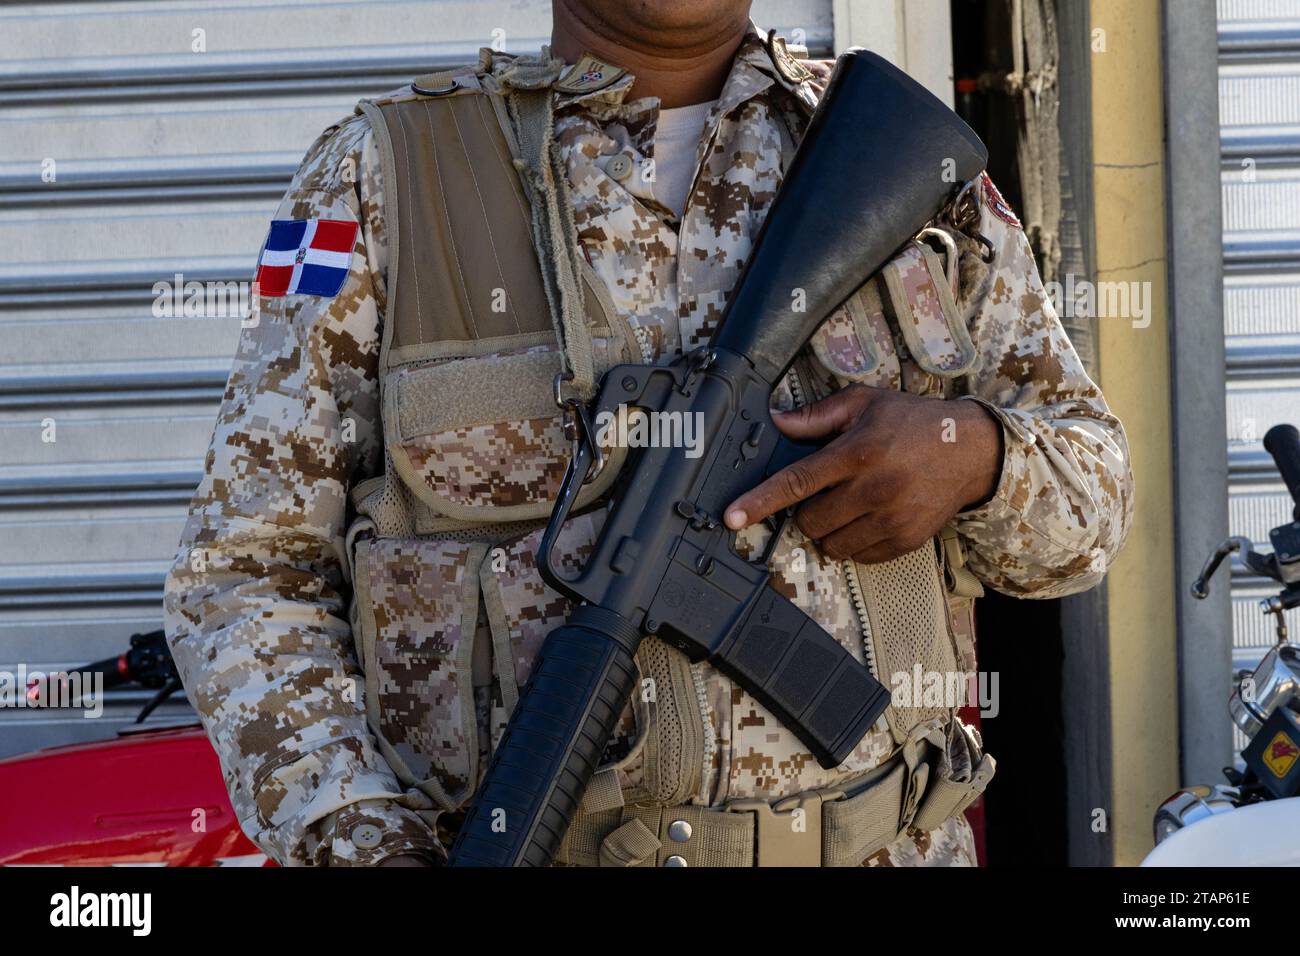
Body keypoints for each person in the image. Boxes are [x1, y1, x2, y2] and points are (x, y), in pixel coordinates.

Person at [164, 0, 1133, 867]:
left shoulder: (901, 162)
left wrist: (971, 457)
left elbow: (1091, 504)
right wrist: (365, 838)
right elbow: (245, 577)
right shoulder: (379, 181)